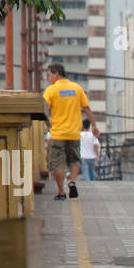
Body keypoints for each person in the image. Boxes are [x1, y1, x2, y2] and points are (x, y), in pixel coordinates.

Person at [42, 63, 98, 200]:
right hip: (74, 133)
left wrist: (48, 124)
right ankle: (72, 181)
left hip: (58, 134)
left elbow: (43, 110)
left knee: (57, 163)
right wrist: (94, 126)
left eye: (49, 75)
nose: (49, 78)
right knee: (74, 160)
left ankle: (61, 192)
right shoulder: (77, 89)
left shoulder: (51, 90)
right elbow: (87, 108)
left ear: (56, 74)